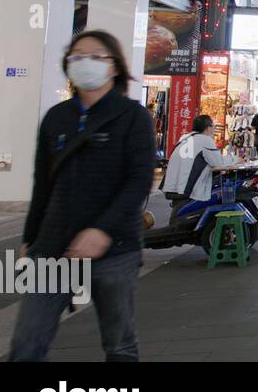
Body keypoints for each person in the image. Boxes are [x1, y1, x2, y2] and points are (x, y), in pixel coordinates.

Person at [10, 31, 155, 362]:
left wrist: (102, 230)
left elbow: (138, 181)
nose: (84, 63)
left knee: (119, 345)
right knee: (27, 344)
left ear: (114, 67)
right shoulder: (56, 118)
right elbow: (42, 183)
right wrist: (31, 236)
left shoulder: (133, 117)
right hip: (53, 247)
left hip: (115, 247)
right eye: (77, 57)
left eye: (96, 56)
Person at [162, 114, 229, 202]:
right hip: (186, 189)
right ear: (207, 128)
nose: (214, 129)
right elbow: (219, 163)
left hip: (171, 186)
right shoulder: (205, 140)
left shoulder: (184, 138)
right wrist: (236, 159)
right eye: (213, 126)